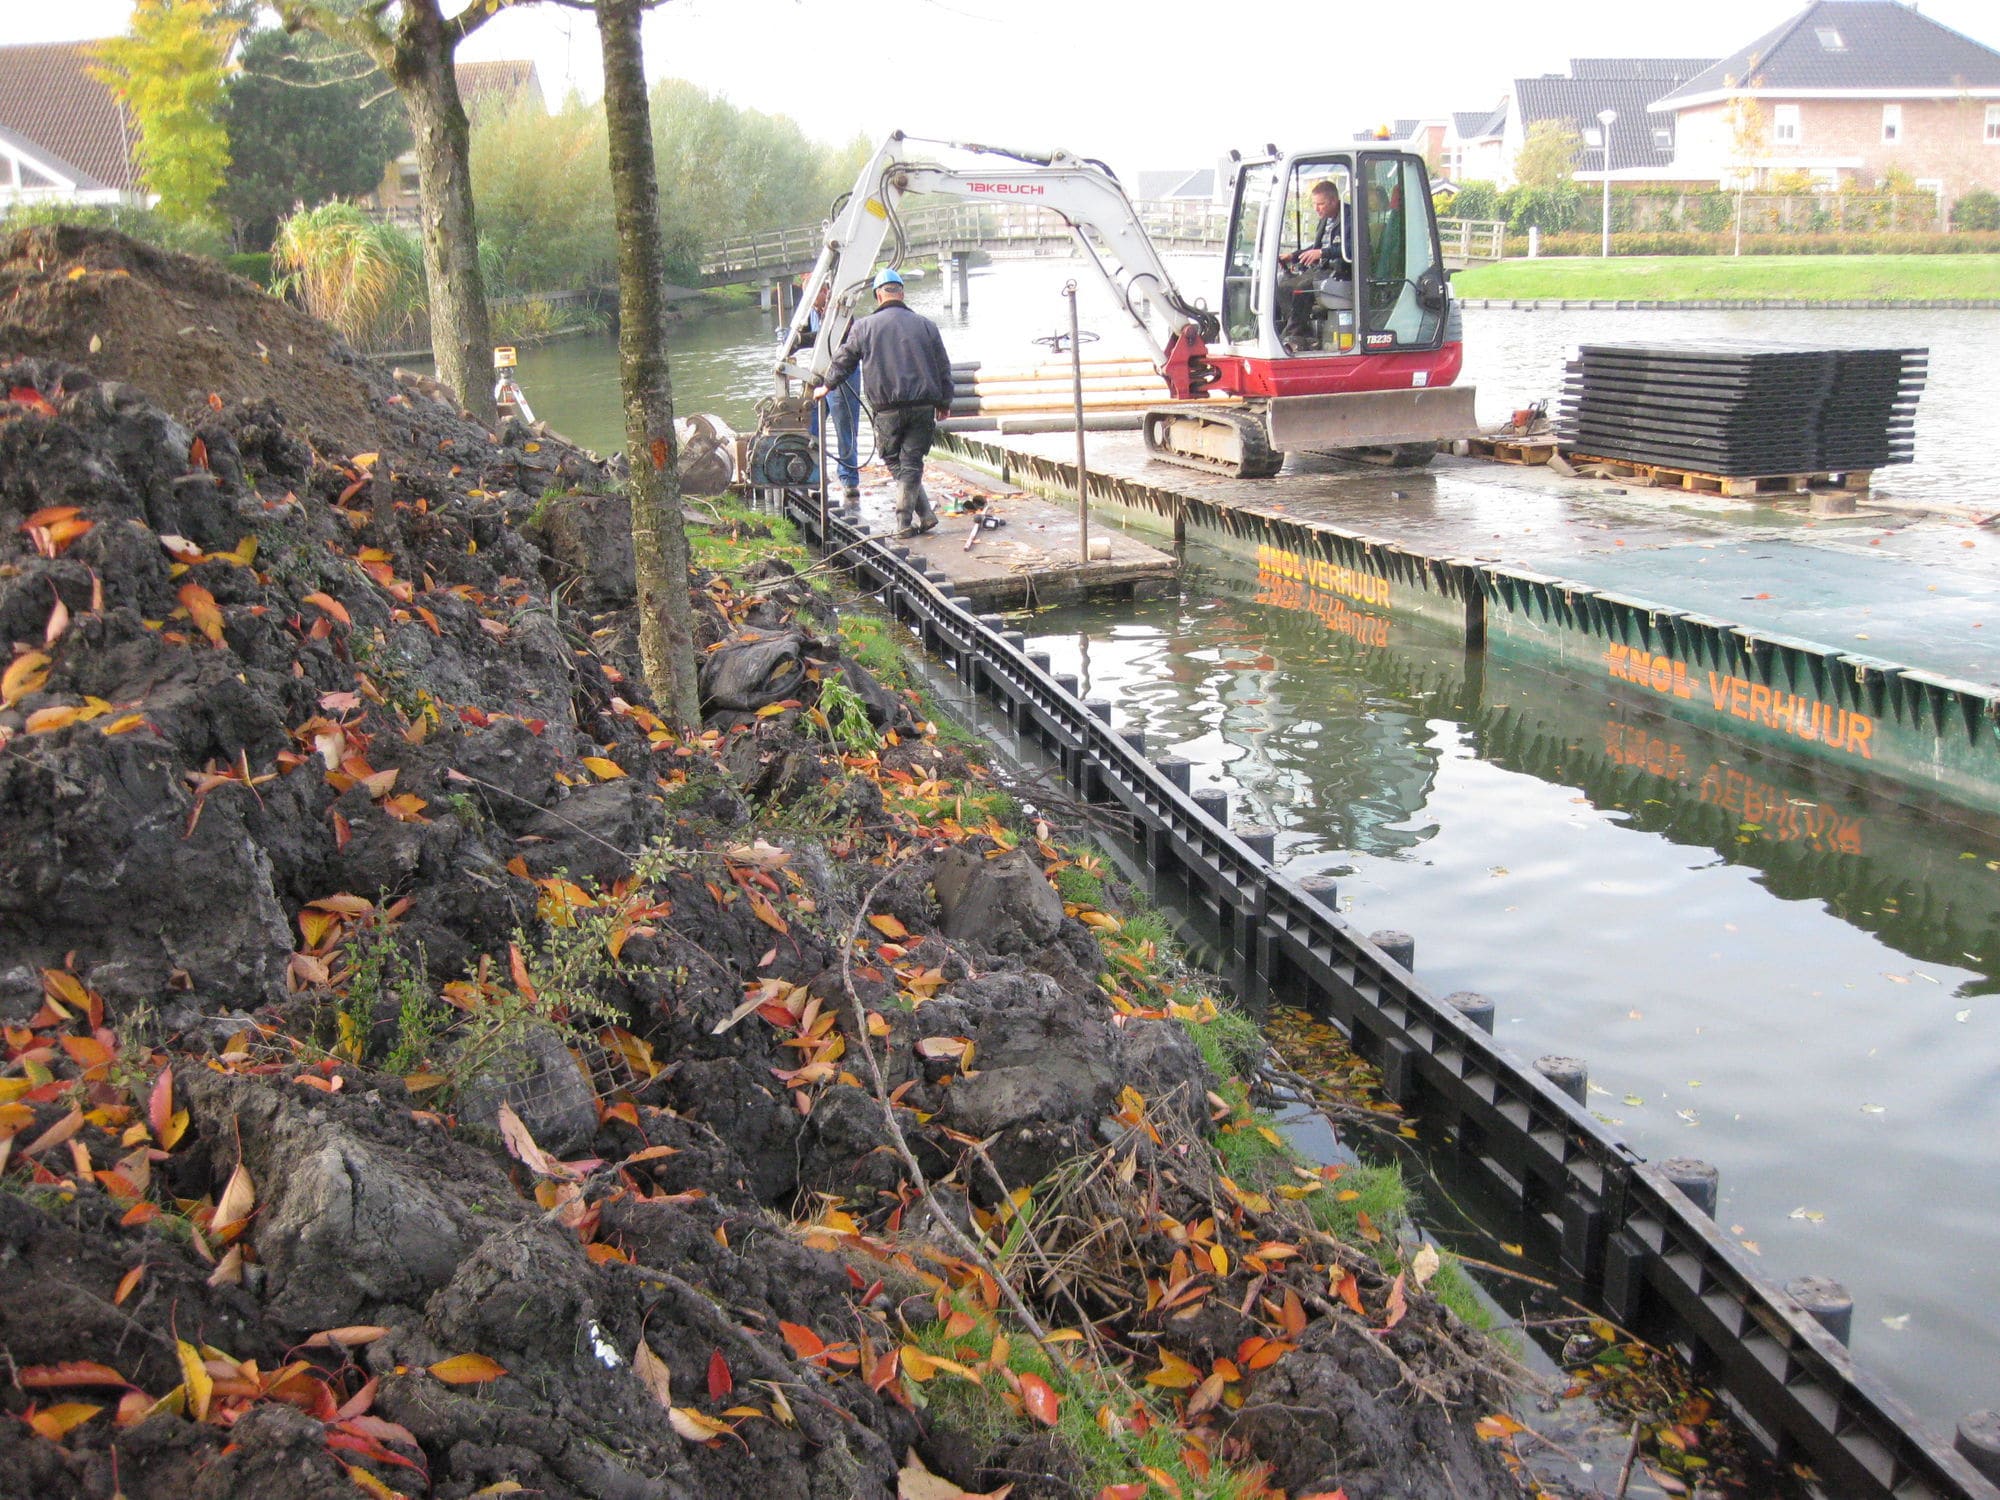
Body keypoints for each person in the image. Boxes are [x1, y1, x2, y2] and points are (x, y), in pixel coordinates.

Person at [817, 267, 954, 536]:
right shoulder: (927, 326)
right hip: (922, 407)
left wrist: (826, 385)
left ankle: (903, 522)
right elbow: (943, 368)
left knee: (895, 461)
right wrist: (945, 401)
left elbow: (843, 360)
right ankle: (925, 515)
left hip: (887, 410)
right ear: (901, 293)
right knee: (911, 462)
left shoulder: (864, 327)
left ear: (878, 295)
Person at [800, 281, 862, 501]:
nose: (809, 297)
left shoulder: (841, 311)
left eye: (813, 293)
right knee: (811, 426)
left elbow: (833, 338)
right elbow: (810, 333)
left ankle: (849, 478)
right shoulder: (813, 312)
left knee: (844, 426)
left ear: (825, 291)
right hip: (820, 375)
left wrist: (802, 339)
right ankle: (813, 473)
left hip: (843, 374)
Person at [1280, 179, 1354, 343]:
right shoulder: (1325, 219)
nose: (1316, 209)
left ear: (1334, 200)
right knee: (1284, 286)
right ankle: (1301, 331)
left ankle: (1292, 336)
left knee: (1301, 288)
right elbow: (1315, 248)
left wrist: (1322, 253)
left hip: (1339, 272)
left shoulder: (1350, 218)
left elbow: (1351, 249)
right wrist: (1293, 256)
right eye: (1315, 204)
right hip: (1321, 269)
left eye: (1320, 204)